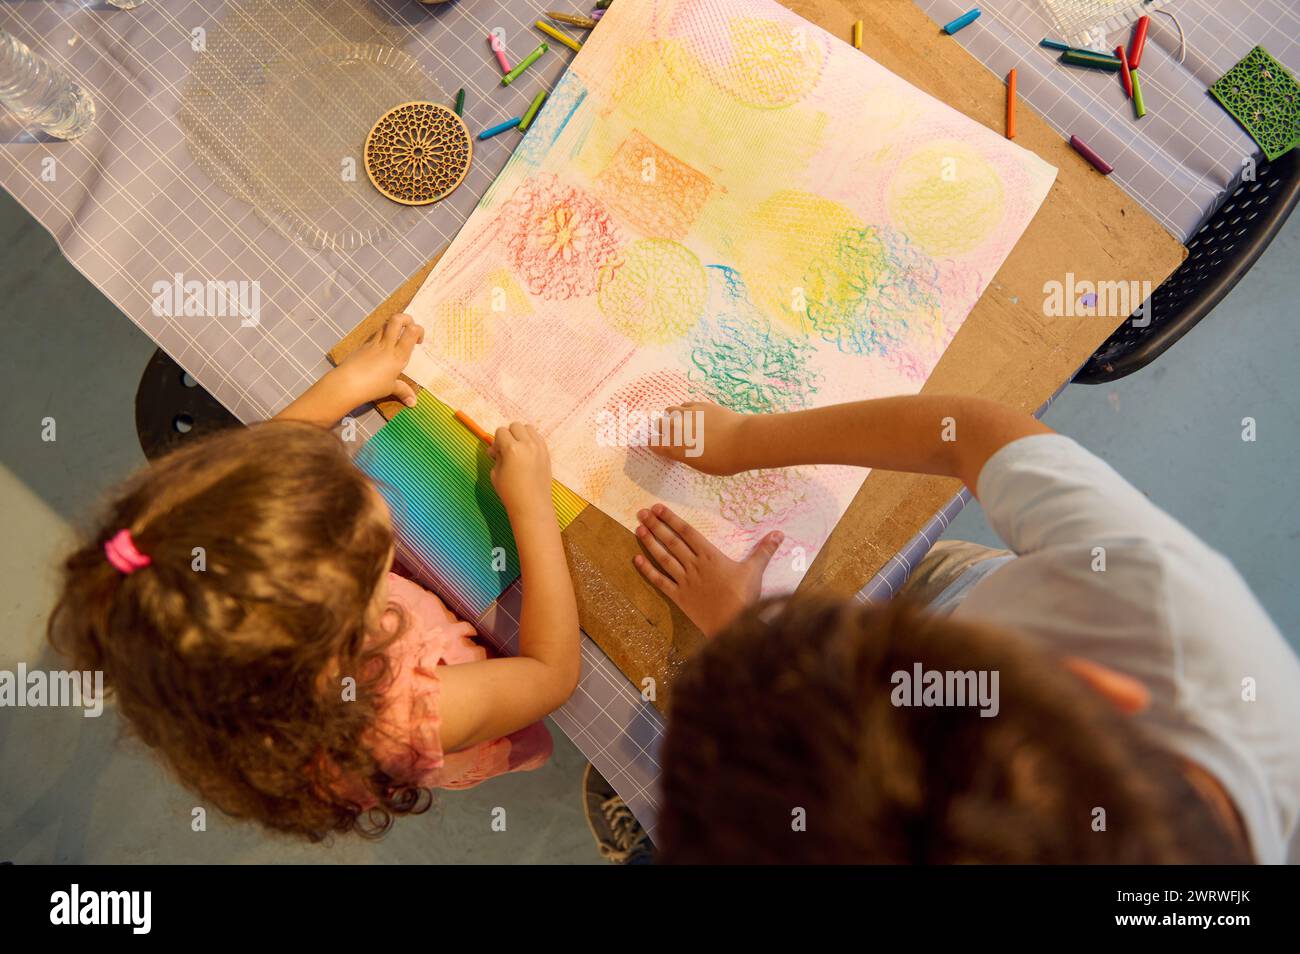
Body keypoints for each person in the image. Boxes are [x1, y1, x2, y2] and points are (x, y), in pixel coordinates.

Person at [635, 397, 1299, 863]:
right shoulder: (1155, 598)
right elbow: (966, 433)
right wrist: (743, 439)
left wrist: (738, 634)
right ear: (1096, 686)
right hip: (964, 590)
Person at [47, 314, 580, 840]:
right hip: (469, 698)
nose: (375, 494)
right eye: (369, 553)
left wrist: (346, 384)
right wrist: (531, 505)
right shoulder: (401, 720)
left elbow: (257, 464)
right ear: (339, 638)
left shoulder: (208, 616)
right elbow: (550, 673)